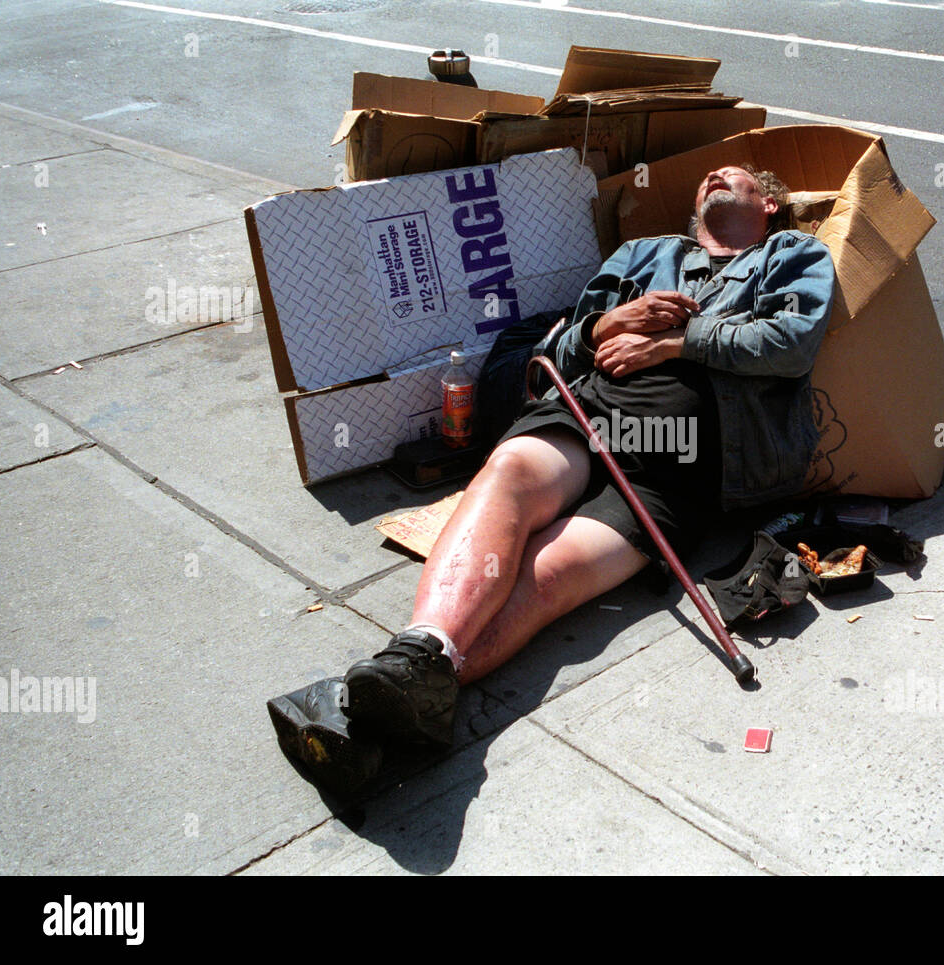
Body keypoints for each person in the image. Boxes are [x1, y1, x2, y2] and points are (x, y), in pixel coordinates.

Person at [268, 164, 837, 792]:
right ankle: (413, 660)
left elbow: (792, 340)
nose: (712, 176)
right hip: (589, 416)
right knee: (508, 478)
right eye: (705, 177)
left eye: (736, 176)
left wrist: (674, 345)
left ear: (773, 203)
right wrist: (605, 326)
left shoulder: (793, 253)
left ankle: (364, 714)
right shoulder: (642, 253)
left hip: (678, 463)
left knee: (546, 577)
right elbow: (562, 349)